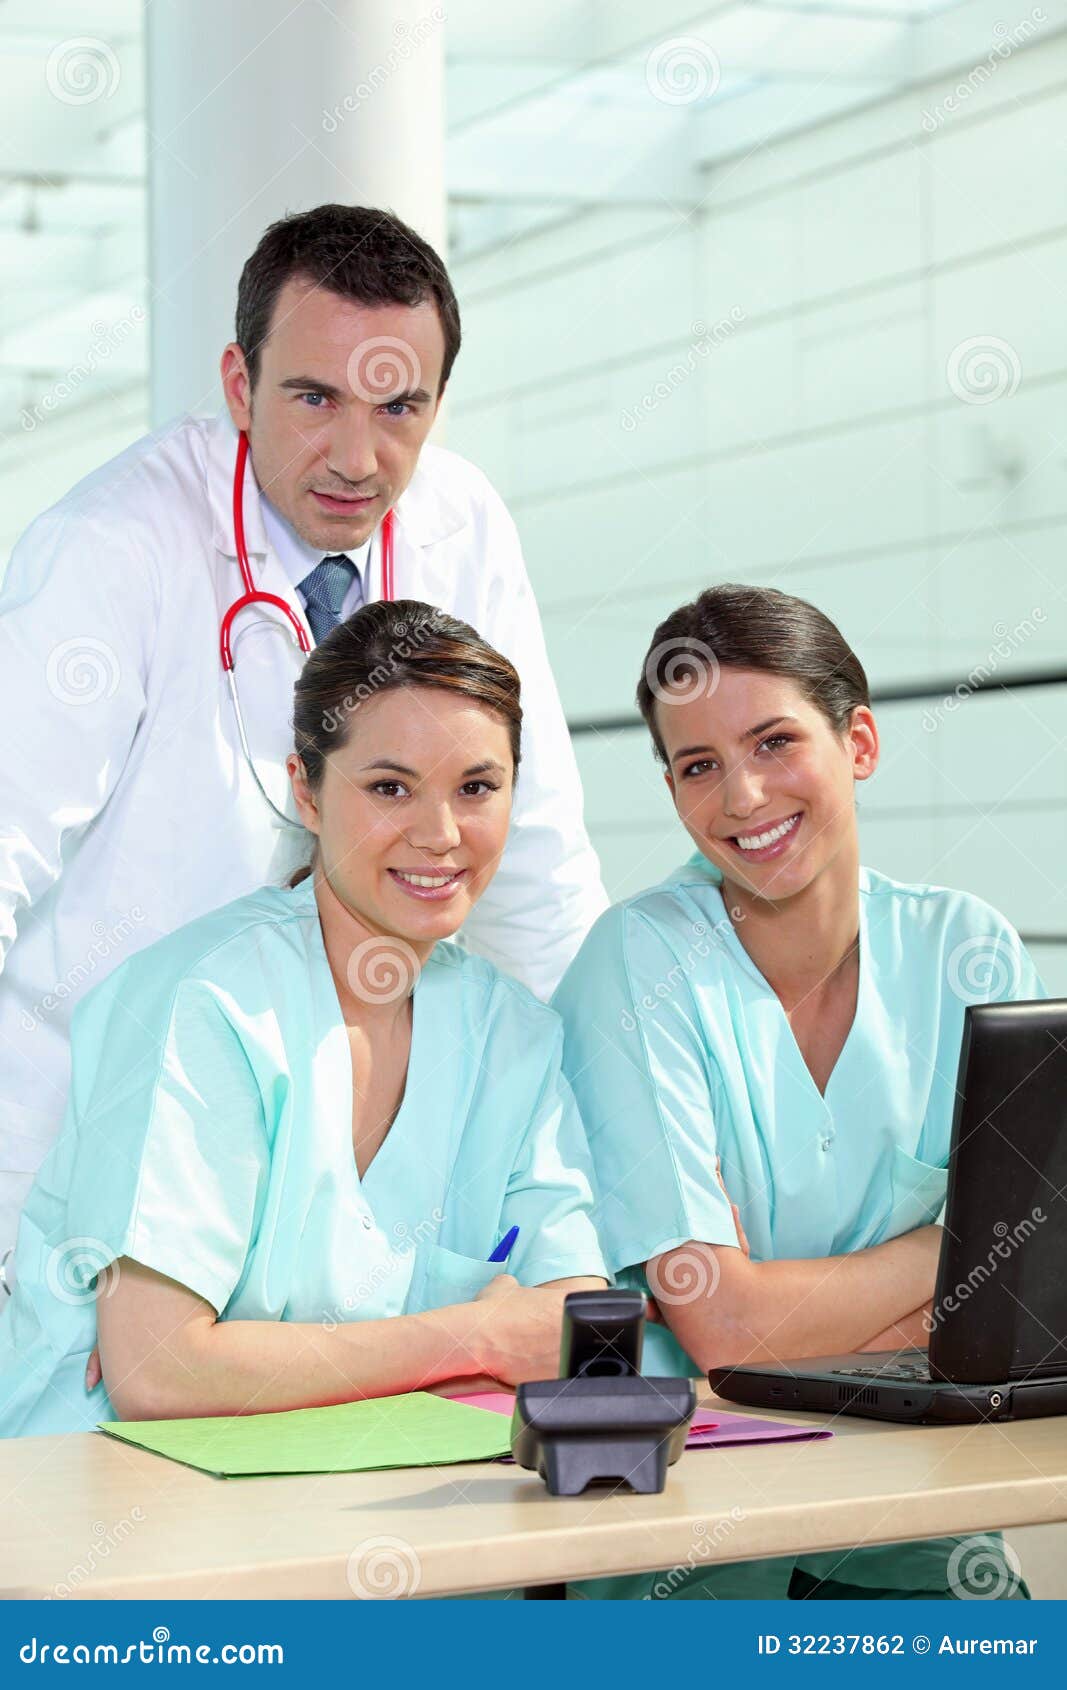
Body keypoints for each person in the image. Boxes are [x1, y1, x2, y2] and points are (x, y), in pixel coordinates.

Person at [0, 204, 606, 1278]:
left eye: (398, 406)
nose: (356, 457)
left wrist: (608, 1138)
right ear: (239, 384)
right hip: (79, 1131)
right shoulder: (111, 548)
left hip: (308, 1147)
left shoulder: (461, 526)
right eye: (314, 398)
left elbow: (538, 869)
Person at [0, 602, 607, 1437]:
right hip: (107, 1503)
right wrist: (473, 1334)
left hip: (354, 1501)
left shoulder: (513, 1037)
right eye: (390, 787)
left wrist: (277, 1361)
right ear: (308, 793)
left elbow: (577, 1321)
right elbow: (156, 1370)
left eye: (476, 788)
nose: (439, 834)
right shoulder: (204, 1002)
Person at [553, 583, 1042, 1600]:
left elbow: (1025, 1318)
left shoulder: (968, 951)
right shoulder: (635, 964)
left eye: (773, 741)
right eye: (697, 765)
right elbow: (721, 1328)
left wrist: (789, 1310)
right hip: (685, 1556)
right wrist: (936, 1258)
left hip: (920, 1528)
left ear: (856, 742)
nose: (739, 798)